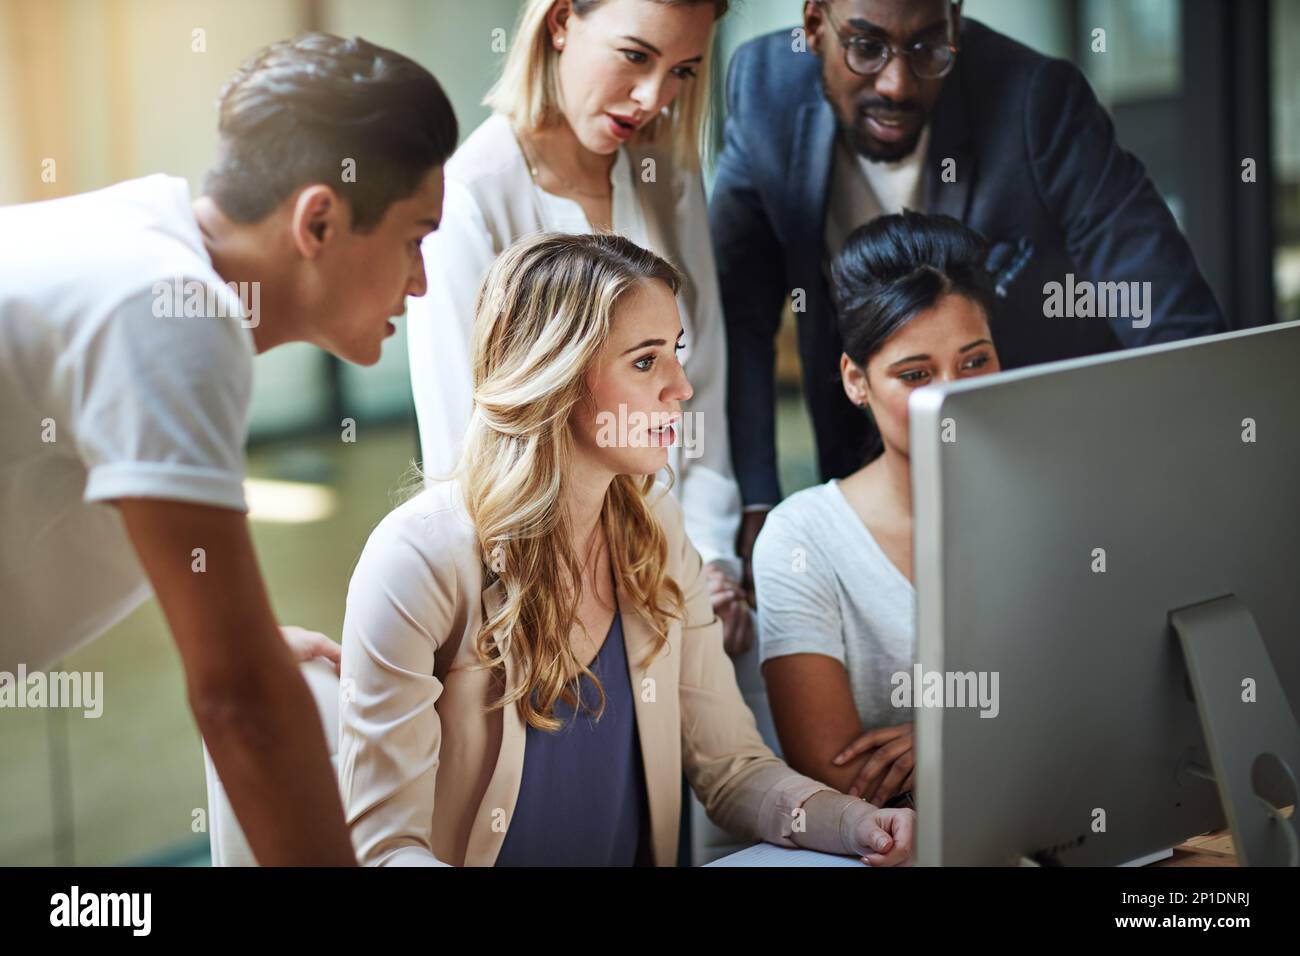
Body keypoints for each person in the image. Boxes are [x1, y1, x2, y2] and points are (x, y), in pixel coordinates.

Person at [0, 34, 458, 866]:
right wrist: (244, 664)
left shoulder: (146, 239)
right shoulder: (171, 309)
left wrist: (241, 634)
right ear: (318, 218)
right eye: (414, 237)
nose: (421, 281)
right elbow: (239, 705)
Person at [340, 231, 914, 866]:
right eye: (645, 361)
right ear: (552, 374)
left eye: (676, 352)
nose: (681, 387)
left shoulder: (656, 532)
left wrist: (858, 824)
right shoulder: (419, 558)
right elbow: (386, 852)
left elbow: (733, 770)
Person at [710, 0, 1227, 596]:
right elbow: (739, 317)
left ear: (955, 19)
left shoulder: (1038, 100)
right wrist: (754, 498)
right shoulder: (763, 89)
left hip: (1044, 483)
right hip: (863, 468)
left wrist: (1184, 500)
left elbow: (1168, 320)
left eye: (929, 47)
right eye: (866, 47)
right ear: (813, 27)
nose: (897, 84)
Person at [407, 0, 753, 655]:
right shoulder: (471, 198)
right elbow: (462, 450)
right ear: (561, 20)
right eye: (634, 56)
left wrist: (711, 562)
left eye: (682, 70)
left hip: (684, 579)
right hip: (547, 600)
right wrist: (576, 597)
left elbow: (702, 389)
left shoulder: (670, 178)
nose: (653, 98)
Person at [755, 211, 1000, 807]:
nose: (952, 396)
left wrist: (951, 742)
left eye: (975, 361)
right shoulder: (803, 538)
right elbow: (841, 775)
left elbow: (1102, 708)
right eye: (915, 374)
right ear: (855, 381)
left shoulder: (1055, 506)